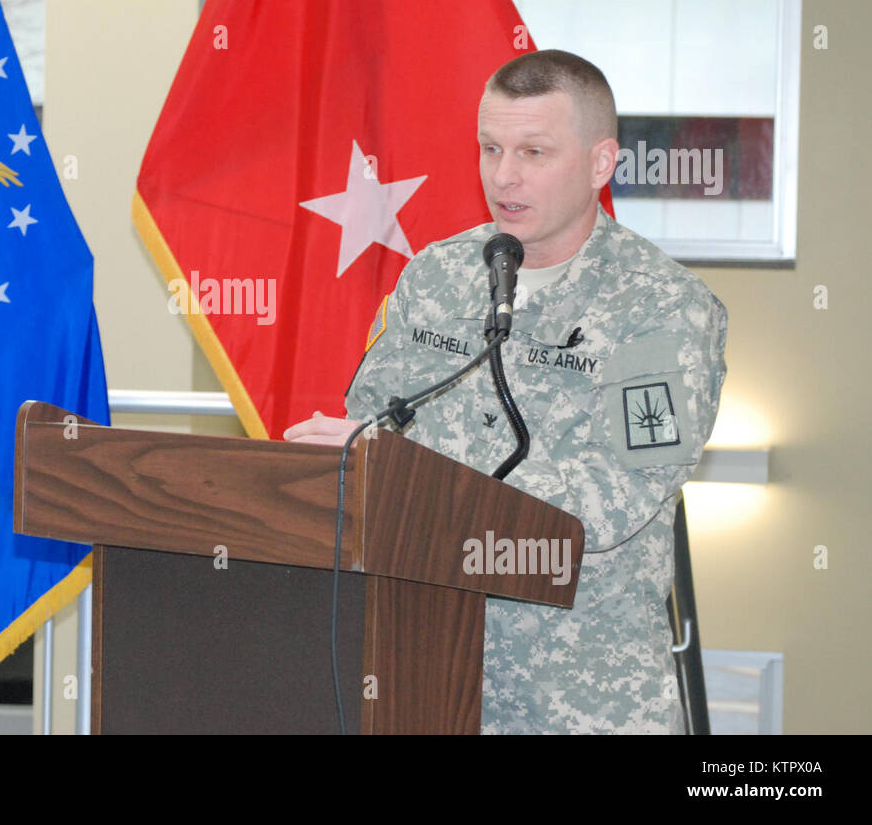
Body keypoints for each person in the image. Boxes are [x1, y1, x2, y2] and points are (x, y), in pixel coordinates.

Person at [284, 49, 728, 734]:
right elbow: (369, 427)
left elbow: (603, 503)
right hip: (422, 679)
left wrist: (409, 468)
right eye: (490, 148)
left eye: (534, 151)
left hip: (582, 706)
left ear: (600, 163)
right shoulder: (436, 274)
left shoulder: (663, 309)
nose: (503, 176)